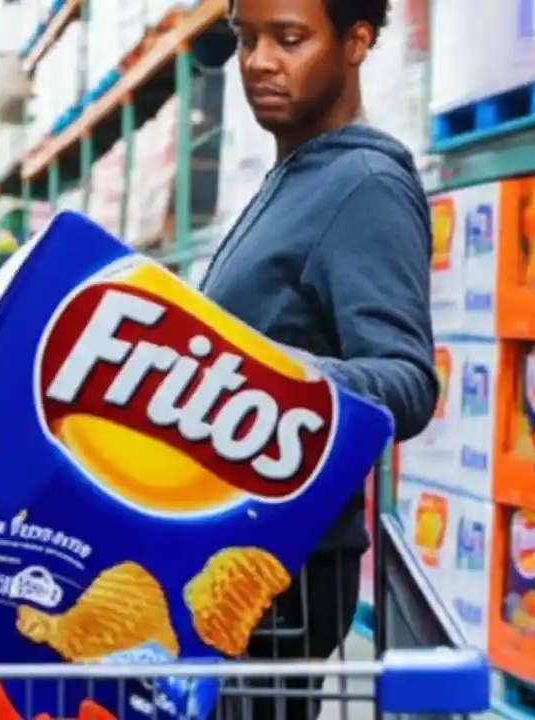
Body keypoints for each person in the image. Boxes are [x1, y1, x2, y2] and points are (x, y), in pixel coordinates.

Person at [196, 0, 438, 718]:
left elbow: (407, 380)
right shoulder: (293, 177)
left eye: (290, 39)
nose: (259, 62)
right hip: (232, 555)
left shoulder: (365, 186)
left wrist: (263, 371)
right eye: (247, 40)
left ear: (357, 41)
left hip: (282, 581)